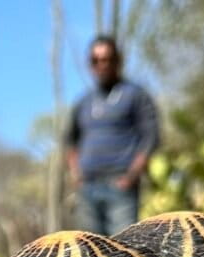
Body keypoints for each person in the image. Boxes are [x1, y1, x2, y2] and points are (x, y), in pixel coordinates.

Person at [65, 36, 159, 236]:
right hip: (87, 188)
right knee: (89, 256)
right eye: (95, 60)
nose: (102, 65)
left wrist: (132, 176)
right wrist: (76, 176)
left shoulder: (135, 95)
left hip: (121, 187)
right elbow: (70, 140)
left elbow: (150, 137)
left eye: (107, 59)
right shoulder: (83, 102)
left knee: (123, 254)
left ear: (118, 61)